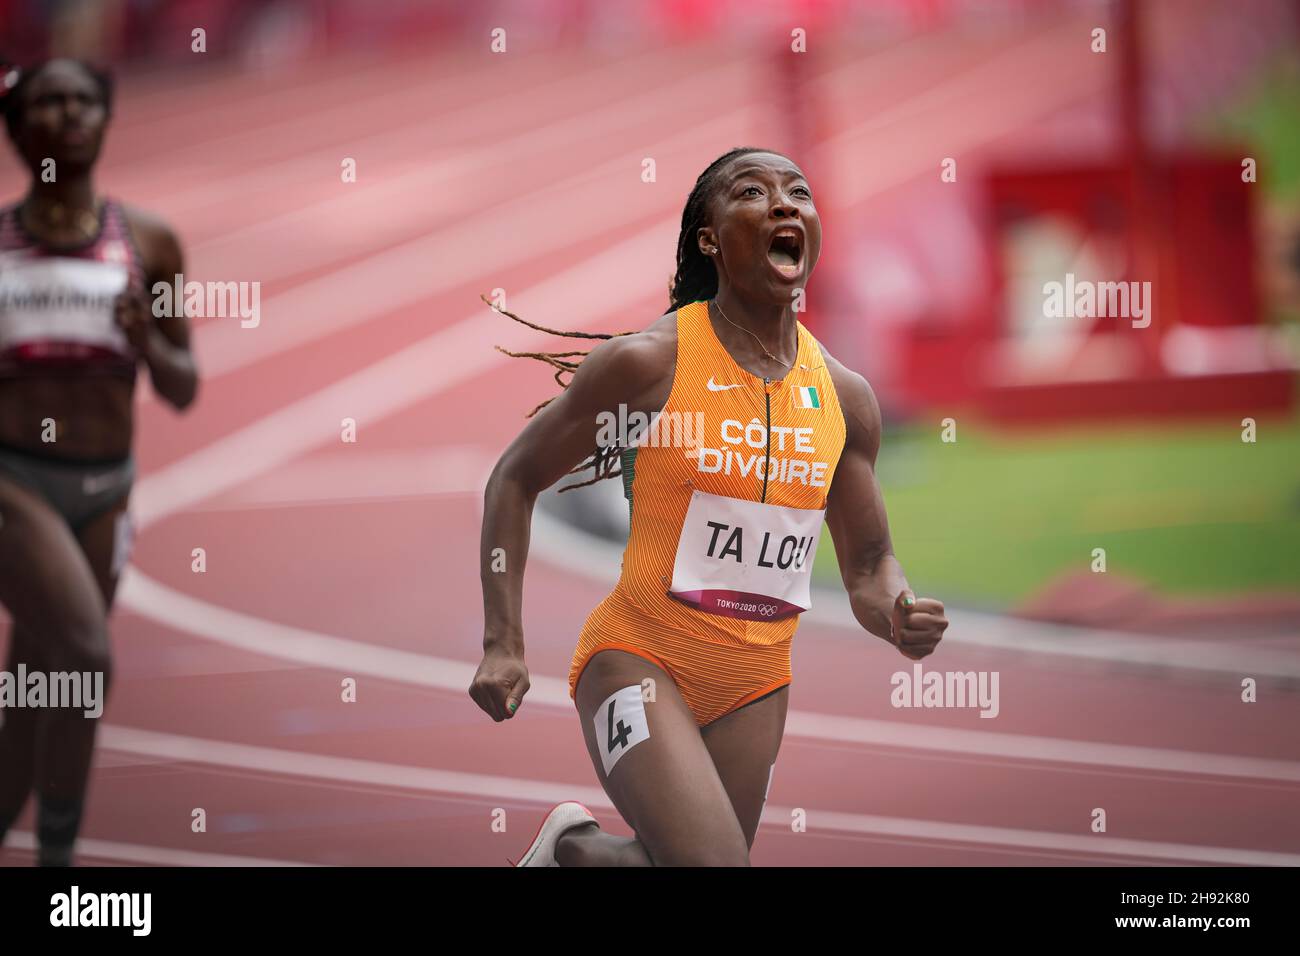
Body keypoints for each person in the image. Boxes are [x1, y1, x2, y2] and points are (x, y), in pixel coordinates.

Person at [471, 147, 947, 866]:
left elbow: (870, 565)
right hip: (636, 658)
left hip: (757, 684)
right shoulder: (649, 364)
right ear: (711, 239)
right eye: (753, 192)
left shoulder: (845, 398)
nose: (785, 204)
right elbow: (515, 475)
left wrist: (898, 613)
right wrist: (502, 643)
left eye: (798, 192)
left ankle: (573, 852)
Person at [0, 58, 198, 865]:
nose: (68, 114)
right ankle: (59, 868)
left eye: (84, 99)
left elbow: (182, 388)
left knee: (32, 699)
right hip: (14, 485)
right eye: (47, 101)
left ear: (105, 119)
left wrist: (146, 335)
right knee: (84, 656)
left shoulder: (147, 242)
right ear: (17, 126)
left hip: (106, 490)